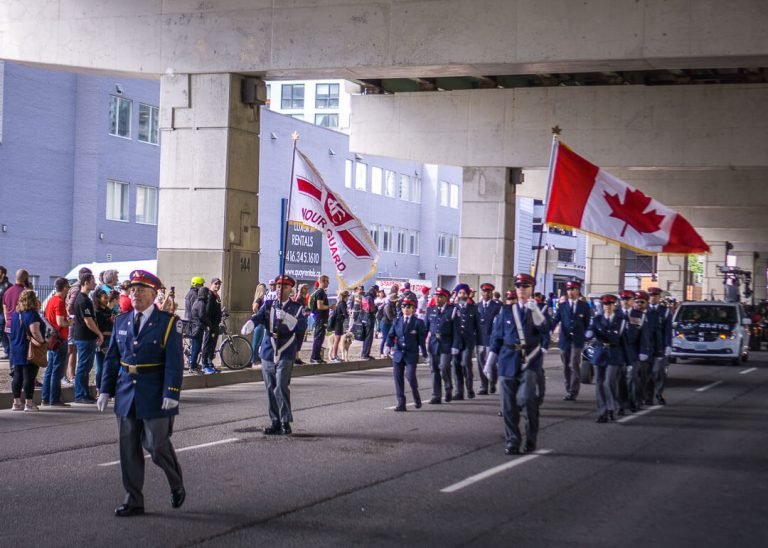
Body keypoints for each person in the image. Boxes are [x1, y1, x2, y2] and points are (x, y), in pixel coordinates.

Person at [97, 269, 185, 517]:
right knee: (128, 448)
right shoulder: (122, 321)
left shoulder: (168, 323)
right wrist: (105, 389)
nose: (134, 294)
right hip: (126, 391)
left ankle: (176, 482)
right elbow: (113, 357)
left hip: (155, 392)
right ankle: (133, 499)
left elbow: (174, 362)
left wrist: (172, 391)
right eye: (132, 290)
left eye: (141, 290)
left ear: (153, 294)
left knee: (156, 446)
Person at [484, 273, 549, 455]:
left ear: (532, 289)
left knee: (527, 401)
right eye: (519, 286)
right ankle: (512, 441)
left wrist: (535, 311)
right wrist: (490, 362)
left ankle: (530, 439)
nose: (522, 289)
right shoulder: (506, 311)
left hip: (530, 361)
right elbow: (496, 338)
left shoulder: (539, 310)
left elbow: (545, 332)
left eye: (526, 286)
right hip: (507, 360)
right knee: (507, 406)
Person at [242, 275, 307, 435]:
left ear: (290, 289)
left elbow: (300, 327)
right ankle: (275, 421)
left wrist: (286, 317)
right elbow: (259, 317)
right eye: (278, 286)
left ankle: (285, 420)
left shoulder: (297, 307)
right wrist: (251, 323)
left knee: (281, 385)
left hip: (286, 349)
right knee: (270, 386)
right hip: (269, 349)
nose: (280, 289)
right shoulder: (269, 305)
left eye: (284, 286)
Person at [585, 294, 626, 423]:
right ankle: (602, 411)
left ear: (615, 305)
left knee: (609, 382)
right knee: (599, 383)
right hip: (600, 353)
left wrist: (628, 358)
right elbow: (590, 330)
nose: (607, 307)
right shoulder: (597, 319)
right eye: (605, 304)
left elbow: (622, 339)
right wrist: (589, 333)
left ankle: (611, 407)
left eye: (610, 304)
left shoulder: (621, 320)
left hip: (614, 353)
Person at [550, 280, 592, 402]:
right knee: (566, 366)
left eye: (573, 289)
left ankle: (573, 391)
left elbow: (587, 323)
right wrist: (549, 331)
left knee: (574, 363)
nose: (570, 292)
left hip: (577, 339)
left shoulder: (584, 306)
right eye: (568, 290)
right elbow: (556, 319)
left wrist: (586, 334)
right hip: (564, 339)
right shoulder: (562, 306)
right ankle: (568, 388)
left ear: (578, 291)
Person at [384, 297, 426, 411]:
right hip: (398, 353)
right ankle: (401, 403)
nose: (405, 309)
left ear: (413, 309)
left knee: (410, 376)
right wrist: (388, 346)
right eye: (403, 307)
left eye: (408, 307)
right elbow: (391, 335)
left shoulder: (418, 322)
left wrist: (424, 352)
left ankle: (416, 396)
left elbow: (421, 339)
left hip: (411, 353)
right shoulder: (397, 321)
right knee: (398, 378)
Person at [9, 289, 45, 411]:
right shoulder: (32, 314)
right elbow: (34, 330)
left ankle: (16, 402)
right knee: (29, 376)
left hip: (16, 347)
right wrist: (42, 342)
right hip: (29, 348)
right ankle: (29, 403)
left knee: (17, 376)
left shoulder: (15, 314)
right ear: (33, 299)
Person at [72, 271, 103, 403]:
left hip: (87, 337)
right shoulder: (82, 300)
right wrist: (99, 333)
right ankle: (80, 395)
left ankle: (84, 393)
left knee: (86, 366)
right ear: (86, 282)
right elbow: (88, 321)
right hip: (84, 337)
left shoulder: (85, 298)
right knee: (83, 366)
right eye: (92, 281)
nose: (94, 283)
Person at [425, 287, 459, 404]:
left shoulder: (452, 310)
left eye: (440, 296)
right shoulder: (430, 310)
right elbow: (425, 329)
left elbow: (456, 331)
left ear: (446, 298)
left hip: (446, 343)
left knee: (444, 367)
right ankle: (436, 395)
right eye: (436, 296)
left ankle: (448, 388)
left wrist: (455, 345)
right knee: (434, 369)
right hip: (433, 343)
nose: (437, 299)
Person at [42, 277, 72, 407]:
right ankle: (54, 399)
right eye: (68, 287)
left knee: (50, 369)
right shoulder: (59, 301)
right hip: (60, 339)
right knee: (57, 370)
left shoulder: (51, 300)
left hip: (52, 339)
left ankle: (45, 397)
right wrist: (70, 322)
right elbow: (60, 322)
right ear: (64, 288)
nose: (69, 290)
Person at [452, 283, 482, 400]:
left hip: (468, 342)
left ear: (468, 295)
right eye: (460, 293)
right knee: (456, 366)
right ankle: (459, 391)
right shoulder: (453, 308)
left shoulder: (473, 309)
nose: (462, 295)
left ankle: (469, 388)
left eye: (464, 293)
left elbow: (478, 327)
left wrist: (479, 343)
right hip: (455, 342)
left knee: (465, 364)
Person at [646, 287, 672, 405]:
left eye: (655, 296)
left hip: (660, 346)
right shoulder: (644, 310)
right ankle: (648, 396)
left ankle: (659, 393)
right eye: (651, 296)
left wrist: (668, 345)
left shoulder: (665, 311)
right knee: (647, 373)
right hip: (646, 346)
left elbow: (667, 330)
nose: (653, 298)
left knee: (658, 372)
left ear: (659, 297)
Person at [476, 282, 502, 395]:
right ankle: (483, 385)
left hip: (492, 339)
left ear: (492, 293)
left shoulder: (497, 306)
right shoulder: (477, 306)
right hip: (480, 339)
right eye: (485, 291)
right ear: (482, 292)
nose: (486, 293)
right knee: (481, 362)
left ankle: (492, 381)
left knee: (491, 363)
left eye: (489, 292)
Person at [3, 269, 30, 367]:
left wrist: (7, 321)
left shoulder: (7, 291)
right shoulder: (25, 292)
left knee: (12, 349)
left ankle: (12, 370)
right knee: (21, 350)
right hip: (20, 325)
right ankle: (18, 372)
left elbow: (5, 308)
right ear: (26, 278)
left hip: (9, 325)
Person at [93, 288, 115, 392]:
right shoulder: (97, 312)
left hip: (110, 339)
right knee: (100, 366)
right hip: (102, 340)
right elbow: (99, 328)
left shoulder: (107, 310)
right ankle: (99, 388)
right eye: (104, 298)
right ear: (98, 299)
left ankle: (106, 388)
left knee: (108, 366)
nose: (107, 300)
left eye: (107, 297)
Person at [201, 278, 223, 373]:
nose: (217, 286)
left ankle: (210, 363)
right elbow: (207, 311)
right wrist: (209, 325)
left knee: (212, 345)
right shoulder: (210, 295)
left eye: (219, 284)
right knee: (207, 344)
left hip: (215, 324)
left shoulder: (216, 296)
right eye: (216, 284)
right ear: (211, 284)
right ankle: (204, 364)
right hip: (210, 325)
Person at [310, 274, 331, 364]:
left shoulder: (321, 292)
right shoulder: (320, 292)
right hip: (320, 318)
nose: (328, 283)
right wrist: (330, 306)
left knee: (320, 337)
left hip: (321, 318)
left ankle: (317, 356)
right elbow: (320, 306)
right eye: (327, 281)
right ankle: (314, 357)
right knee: (318, 337)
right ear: (322, 281)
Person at [188, 286, 209, 374]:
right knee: (196, 348)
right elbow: (202, 316)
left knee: (194, 348)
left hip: (194, 327)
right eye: (207, 293)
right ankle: (192, 367)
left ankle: (193, 365)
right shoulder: (201, 303)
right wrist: (208, 324)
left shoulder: (197, 301)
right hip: (198, 328)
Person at [329, 290, 350, 362]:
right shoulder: (343, 304)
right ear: (345, 297)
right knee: (337, 340)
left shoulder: (340, 303)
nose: (348, 298)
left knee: (337, 339)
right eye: (348, 297)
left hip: (338, 322)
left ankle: (334, 355)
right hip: (338, 323)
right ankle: (334, 356)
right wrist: (348, 314)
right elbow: (345, 314)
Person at [250, 283, 268, 366]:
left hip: (260, 323)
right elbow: (254, 308)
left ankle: (256, 358)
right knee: (256, 342)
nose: (265, 291)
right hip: (259, 323)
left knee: (258, 341)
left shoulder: (260, 299)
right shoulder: (259, 299)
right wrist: (258, 315)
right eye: (264, 289)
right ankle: (254, 359)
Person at [360, 285, 379, 360]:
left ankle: (364, 353)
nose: (377, 293)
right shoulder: (370, 297)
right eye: (377, 291)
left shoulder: (365, 296)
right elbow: (372, 309)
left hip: (364, 317)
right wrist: (376, 308)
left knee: (365, 337)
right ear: (374, 290)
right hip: (369, 318)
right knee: (369, 337)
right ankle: (366, 354)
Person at [378, 291, 399, 357]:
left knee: (390, 338)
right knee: (385, 338)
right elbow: (390, 317)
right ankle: (381, 352)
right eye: (396, 300)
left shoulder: (393, 306)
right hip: (385, 323)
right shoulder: (387, 306)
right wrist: (396, 319)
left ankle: (388, 352)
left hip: (389, 324)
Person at [0, 265, 12, 359]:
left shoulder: (7, 285)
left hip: (3, 313)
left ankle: (8, 351)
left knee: (3, 332)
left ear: (3, 273)